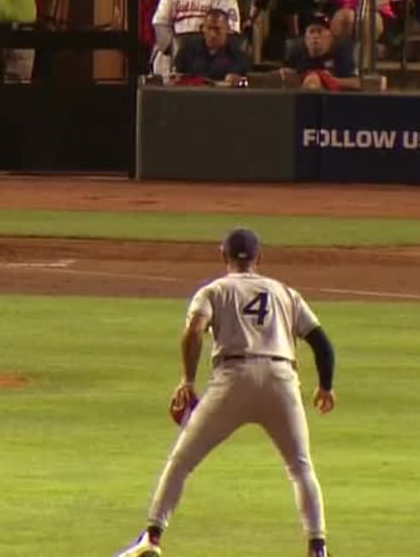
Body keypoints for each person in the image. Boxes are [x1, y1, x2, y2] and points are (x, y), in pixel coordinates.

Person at [113, 228, 335, 557]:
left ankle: (152, 538)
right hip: (281, 379)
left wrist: (188, 380)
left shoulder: (214, 290)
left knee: (182, 462)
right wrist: (326, 385)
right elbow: (321, 343)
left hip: (233, 378)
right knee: (301, 468)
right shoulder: (285, 292)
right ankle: (317, 548)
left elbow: (194, 332)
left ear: (223, 256)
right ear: (260, 258)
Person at [170, 9, 249, 87]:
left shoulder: (239, 57)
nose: (212, 34)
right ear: (202, 28)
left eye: (217, 29)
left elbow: (247, 84)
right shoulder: (186, 53)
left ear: (227, 29)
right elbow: (176, 80)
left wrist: (239, 82)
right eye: (209, 28)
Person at [281, 18, 359, 91]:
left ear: (330, 37)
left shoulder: (344, 49)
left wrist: (327, 79)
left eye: (319, 32)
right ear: (306, 39)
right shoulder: (296, 51)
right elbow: (286, 75)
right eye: (311, 32)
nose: (315, 36)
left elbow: (358, 83)